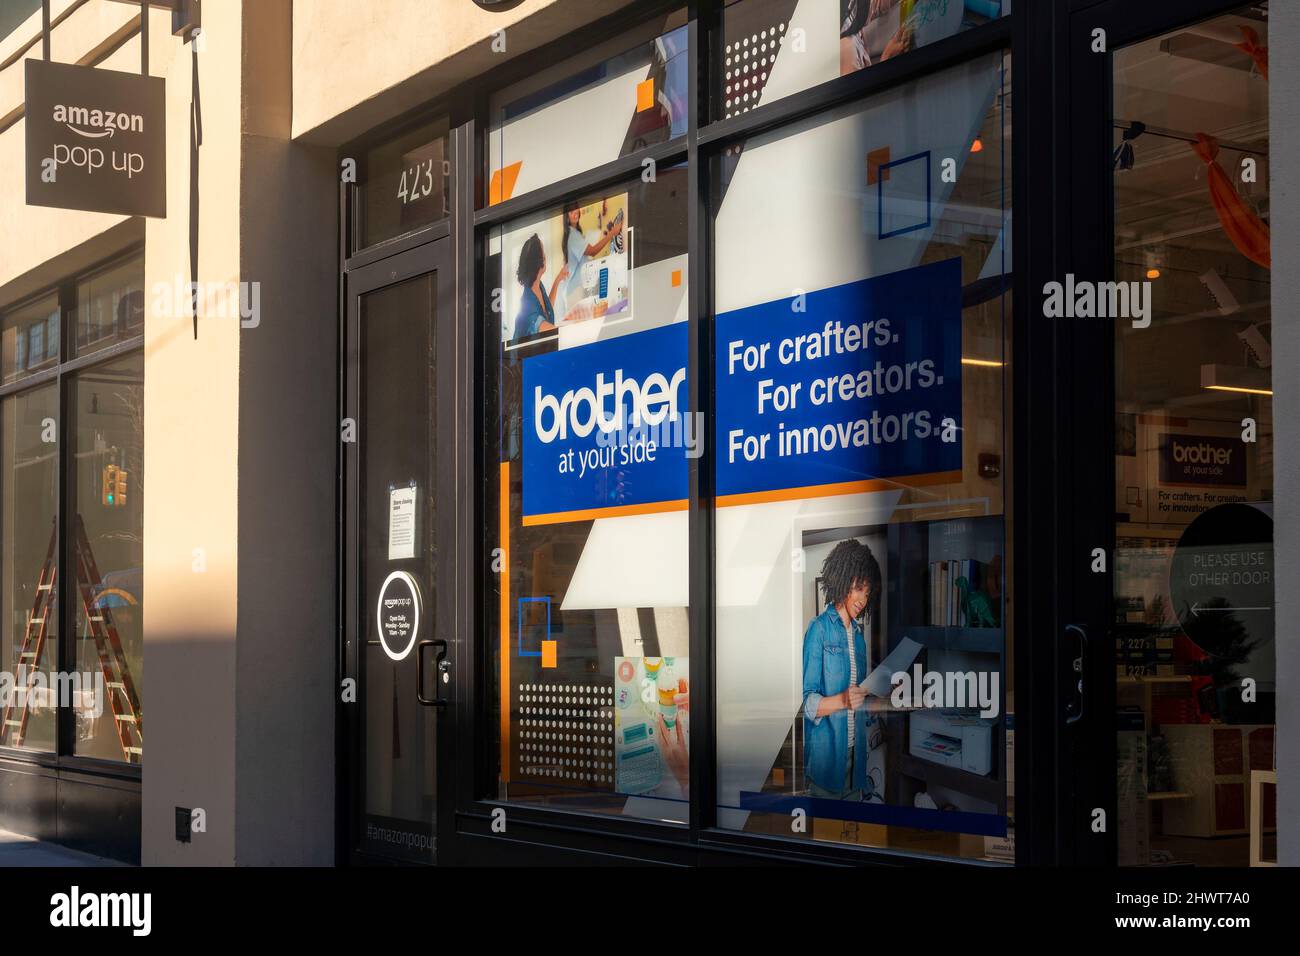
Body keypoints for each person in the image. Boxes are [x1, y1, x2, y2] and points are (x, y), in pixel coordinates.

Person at [802, 538, 883, 800]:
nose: (862, 599)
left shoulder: (859, 637)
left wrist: (879, 694)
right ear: (842, 579)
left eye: (867, 593)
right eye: (858, 588)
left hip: (857, 762)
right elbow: (809, 704)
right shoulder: (819, 629)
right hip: (827, 764)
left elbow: (860, 700)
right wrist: (843, 699)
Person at [558, 199, 624, 314]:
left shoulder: (573, 234)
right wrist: (612, 233)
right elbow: (592, 251)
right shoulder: (573, 235)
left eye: (576, 209)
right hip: (575, 291)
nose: (575, 213)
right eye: (571, 212)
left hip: (573, 290)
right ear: (566, 216)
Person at [511, 233, 564, 340]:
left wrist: (558, 280)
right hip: (523, 356)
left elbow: (547, 310)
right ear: (538, 261)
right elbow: (551, 331)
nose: (545, 257)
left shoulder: (538, 285)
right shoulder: (528, 305)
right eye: (543, 253)